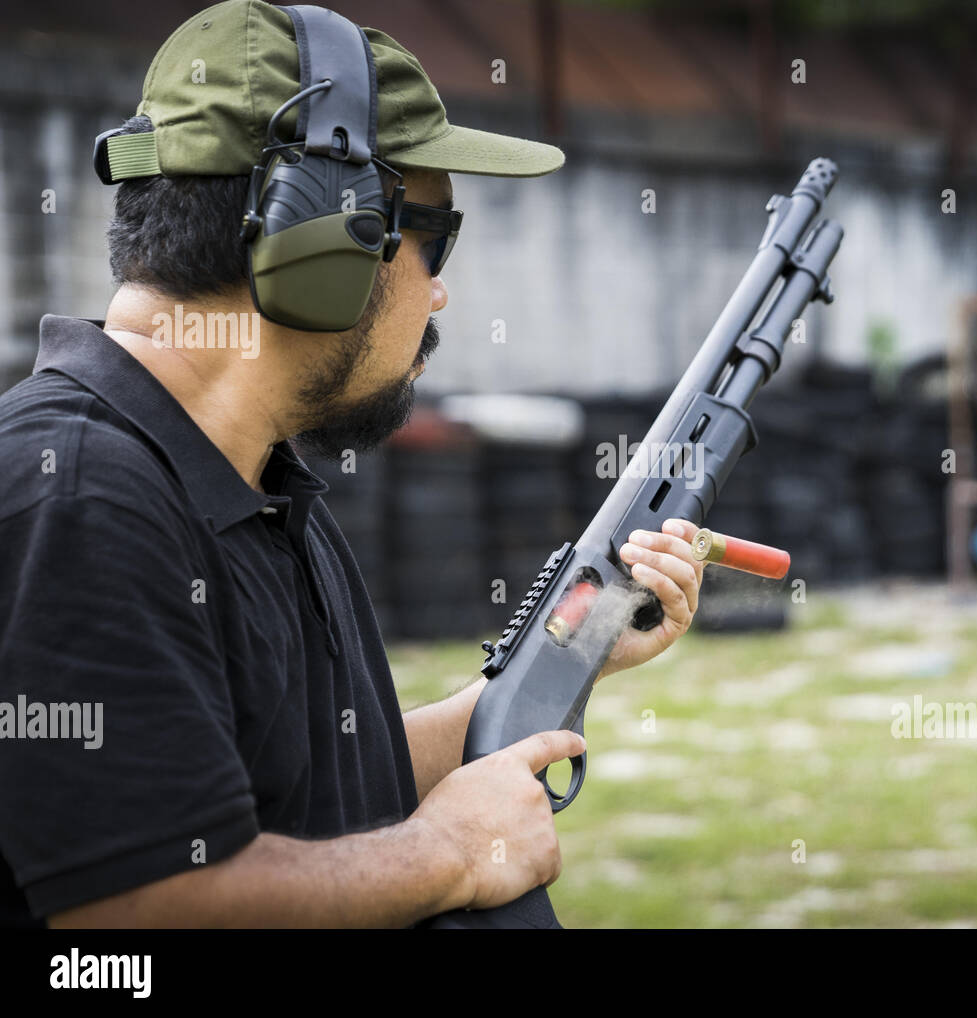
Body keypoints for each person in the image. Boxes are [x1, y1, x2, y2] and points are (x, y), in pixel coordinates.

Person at [0, 0, 704, 928]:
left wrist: (575, 652)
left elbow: (324, 784)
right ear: (320, 237)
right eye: (434, 239)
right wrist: (444, 855)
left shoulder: (252, 477)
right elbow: (136, 909)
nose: (443, 287)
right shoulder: (82, 494)